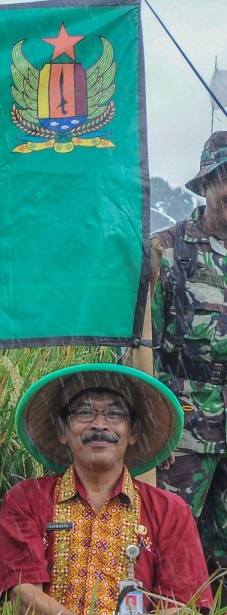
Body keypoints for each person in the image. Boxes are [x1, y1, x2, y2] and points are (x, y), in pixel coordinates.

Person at [0, 364, 212, 615]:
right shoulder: (26, 499)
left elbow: (183, 607)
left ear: (133, 432)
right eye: (84, 412)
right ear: (62, 430)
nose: (99, 424)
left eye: (115, 413)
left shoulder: (170, 510)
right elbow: (22, 595)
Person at [149, 130, 227, 591]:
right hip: (184, 426)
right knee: (173, 540)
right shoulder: (167, 249)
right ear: (209, 184)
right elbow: (141, 347)